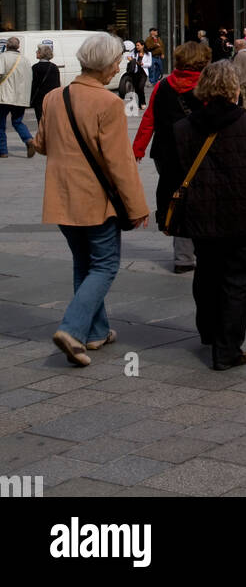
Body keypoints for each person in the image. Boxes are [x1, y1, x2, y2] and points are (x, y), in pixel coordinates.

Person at [160, 59, 246, 371]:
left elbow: (170, 176)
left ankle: (209, 332)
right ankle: (227, 349)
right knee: (238, 280)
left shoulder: (181, 128)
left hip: (201, 215)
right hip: (244, 216)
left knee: (206, 273)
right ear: (235, 88)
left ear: (203, 88)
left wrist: (165, 217)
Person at [34, 32, 150, 367]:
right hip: (95, 200)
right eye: (115, 63)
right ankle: (72, 329)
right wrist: (138, 207)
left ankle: (96, 331)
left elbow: (41, 144)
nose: (118, 69)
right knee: (105, 265)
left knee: (83, 264)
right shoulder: (109, 103)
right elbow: (119, 163)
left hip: (60, 198)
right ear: (104, 66)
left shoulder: (53, 98)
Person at [132, 39, 212, 274]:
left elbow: (149, 119)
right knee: (201, 201)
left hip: (166, 152)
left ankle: (183, 256)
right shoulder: (207, 85)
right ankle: (199, 250)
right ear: (203, 61)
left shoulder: (163, 85)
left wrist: (138, 149)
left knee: (179, 199)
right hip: (200, 154)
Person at [0, 35, 36, 158]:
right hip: (20, 98)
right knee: (17, 121)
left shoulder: (3, 57)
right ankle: (29, 140)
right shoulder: (25, 60)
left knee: (0, 123)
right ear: (18, 46)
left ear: (6, 46)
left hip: (4, 96)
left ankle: (3, 151)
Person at [30, 43, 62, 123]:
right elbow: (57, 85)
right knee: (51, 122)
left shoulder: (35, 68)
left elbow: (33, 85)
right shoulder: (54, 67)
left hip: (40, 100)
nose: (36, 52)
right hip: (52, 99)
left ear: (41, 54)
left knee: (41, 121)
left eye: (37, 51)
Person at [233, 38, 246, 110]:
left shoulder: (239, 55)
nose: (234, 47)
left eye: (235, 45)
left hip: (240, 82)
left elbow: (236, 70)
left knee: (241, 100)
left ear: (238, 46)